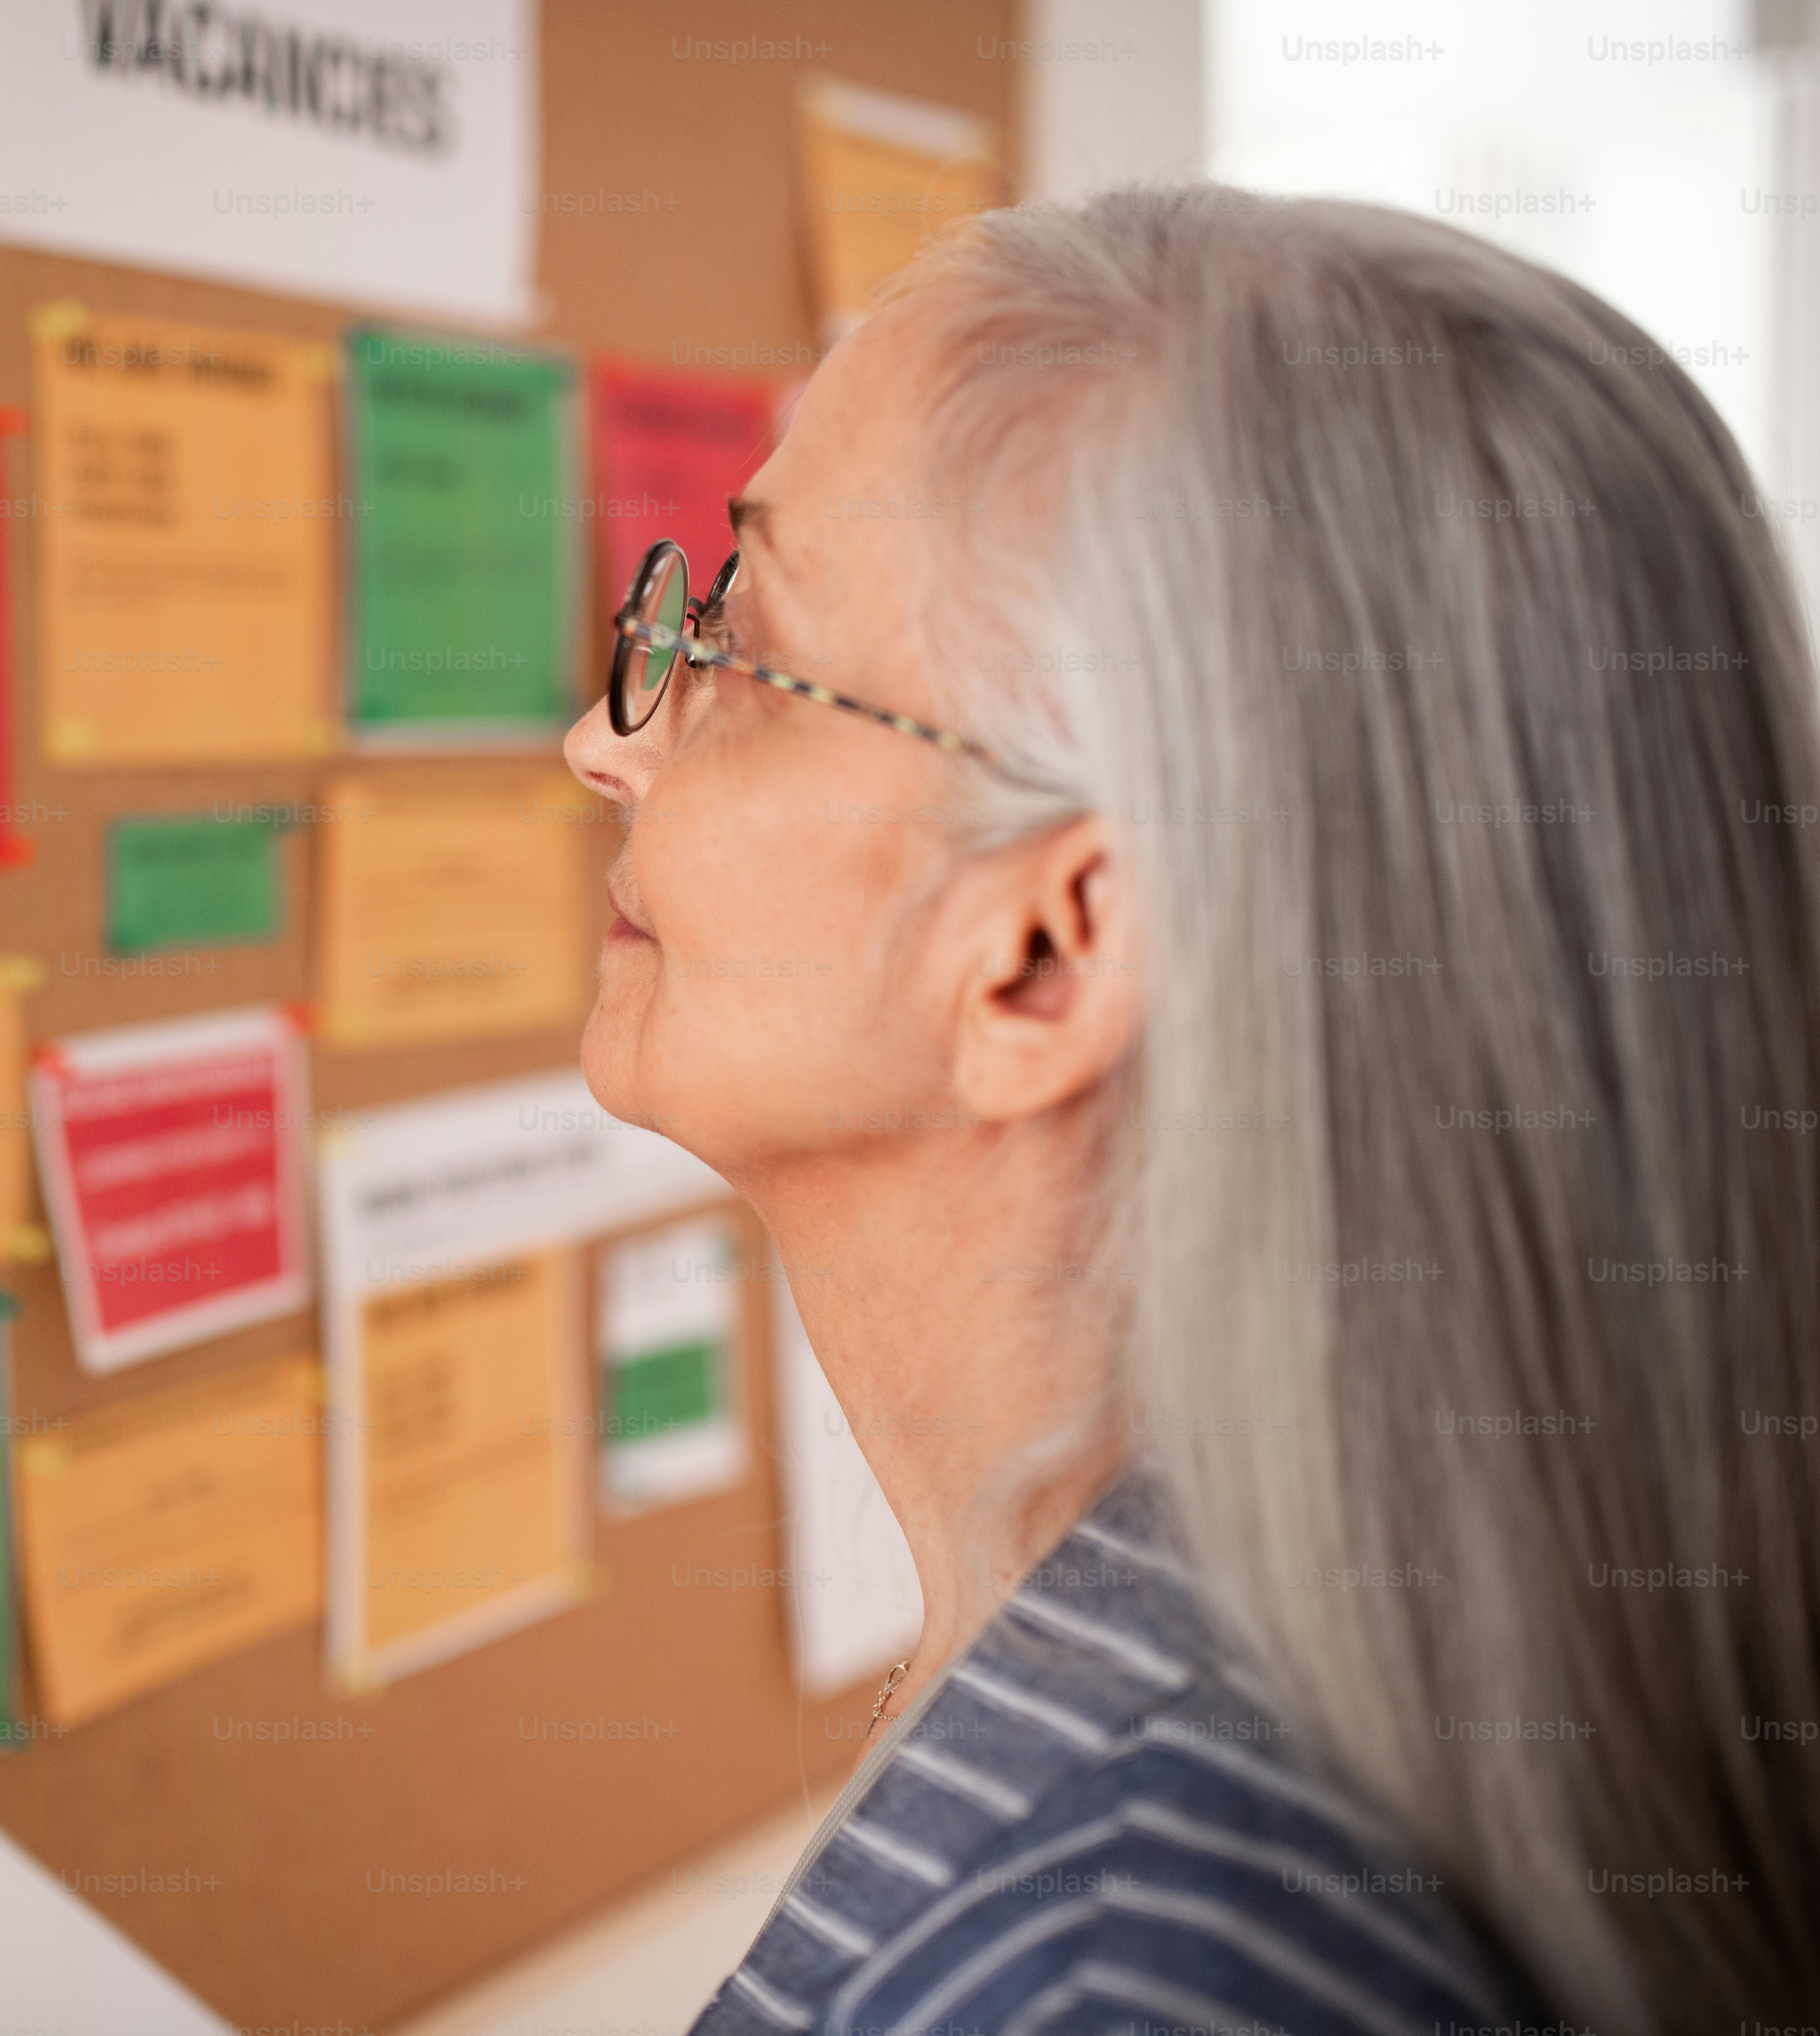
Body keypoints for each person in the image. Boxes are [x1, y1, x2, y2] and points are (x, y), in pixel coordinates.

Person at [563, 187, 1820, 2035]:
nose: (605, 742)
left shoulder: (1138, 1960)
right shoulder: (1404, 1659)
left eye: (740, 648)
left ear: (1052, 956)